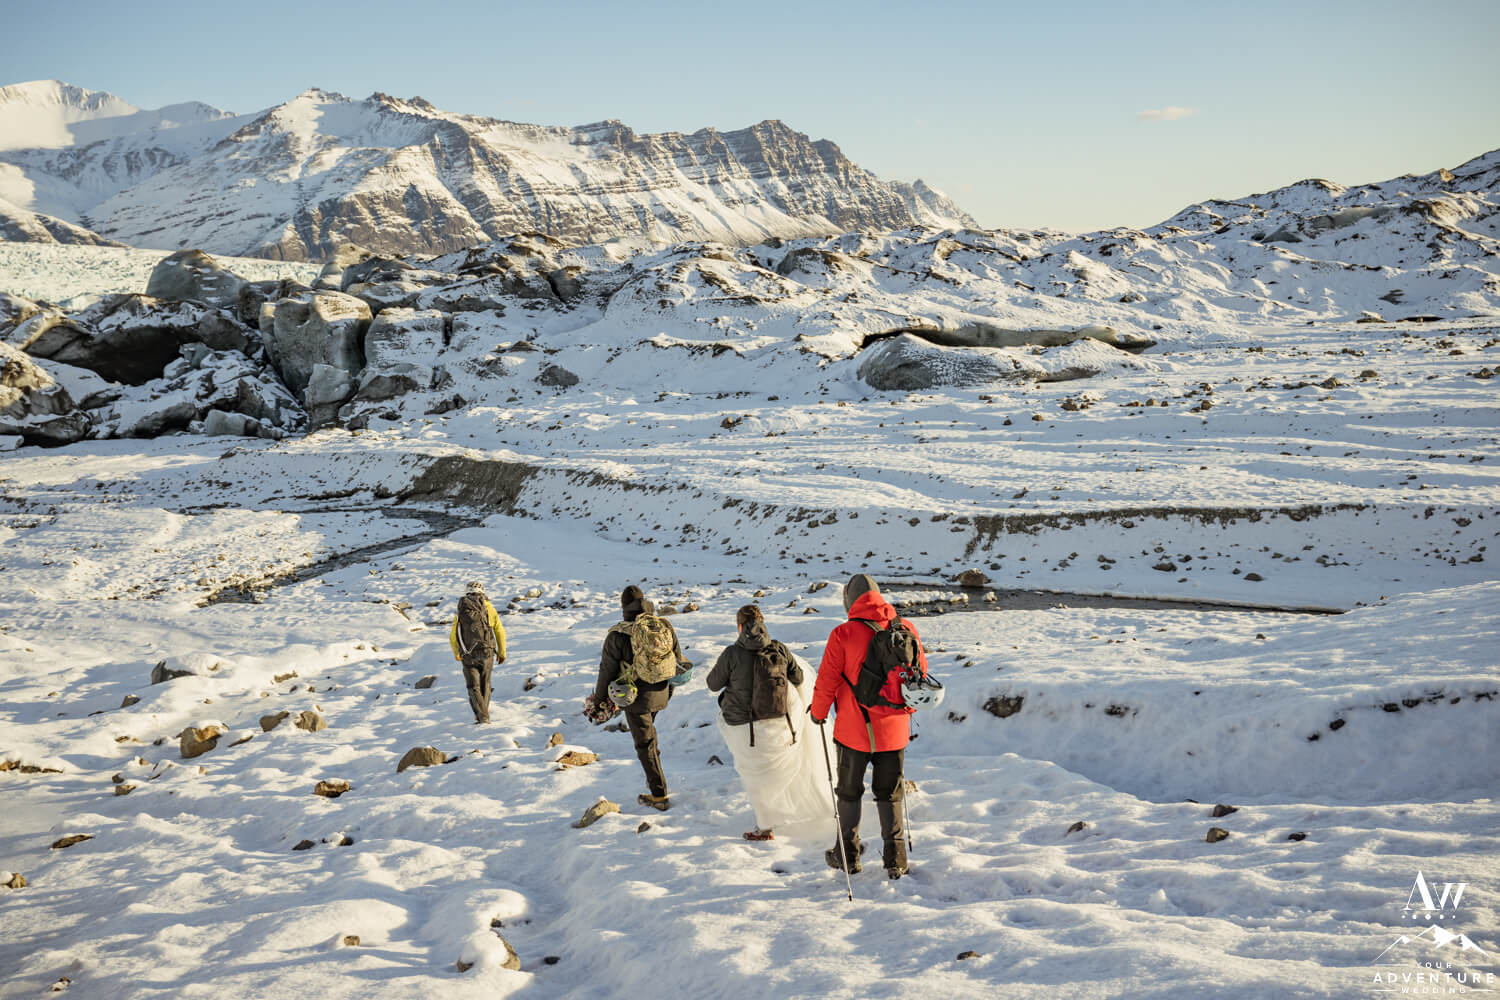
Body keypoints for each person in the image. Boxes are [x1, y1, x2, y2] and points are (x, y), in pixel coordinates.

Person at [810, 573, 928, 879]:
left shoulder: (844, 633)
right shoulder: (906, 628)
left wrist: (819, 713)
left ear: (850, 600)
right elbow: (920, 676)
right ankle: (896, 859)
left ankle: (847, 856)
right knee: (890, 793)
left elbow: (827, 680)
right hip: (895, 729)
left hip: (854, 731)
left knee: (849, 793)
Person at [705, 605, 831, 841]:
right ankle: (784, 812)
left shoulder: (731, 653)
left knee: (754, 775)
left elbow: (713, 684)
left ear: (740, 627)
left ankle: (765, 827)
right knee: (778, 771)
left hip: (744, 728)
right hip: (781, 724)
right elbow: (799, 678)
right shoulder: (778, 648)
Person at [589, 585, 689, 811]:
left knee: (645, 744)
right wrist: (668, 690)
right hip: (662, 691)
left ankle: (659, 794)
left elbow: (606, 670)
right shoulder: (662, 626)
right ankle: (655, 775)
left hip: (634, 697)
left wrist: (599, 701)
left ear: (624, 606)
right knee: (649, 738)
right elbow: (677, 659)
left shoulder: (618, 634)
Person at [449, 580, 506, 724]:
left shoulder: (462, 609)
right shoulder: (489, 608)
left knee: (473, 686)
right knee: (485, 684)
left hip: (468, 653)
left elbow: (453, 634)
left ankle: (481, 716)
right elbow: (499, 631)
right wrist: (502, 652)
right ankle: (484, 715)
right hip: (487, 651)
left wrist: (456, 651)